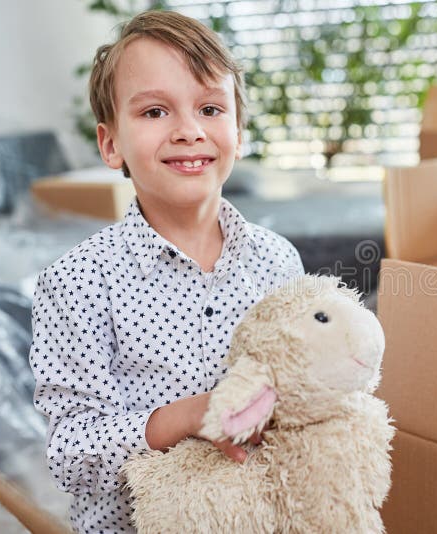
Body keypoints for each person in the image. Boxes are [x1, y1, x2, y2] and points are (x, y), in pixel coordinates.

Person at [29, 10, 304, 533]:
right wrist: (186, 417)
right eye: (155, 111)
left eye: (210, 108)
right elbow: (71, 455)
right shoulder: (75, 282)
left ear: (238, 132)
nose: (188, 131)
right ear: (111, 144)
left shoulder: (278, 261)